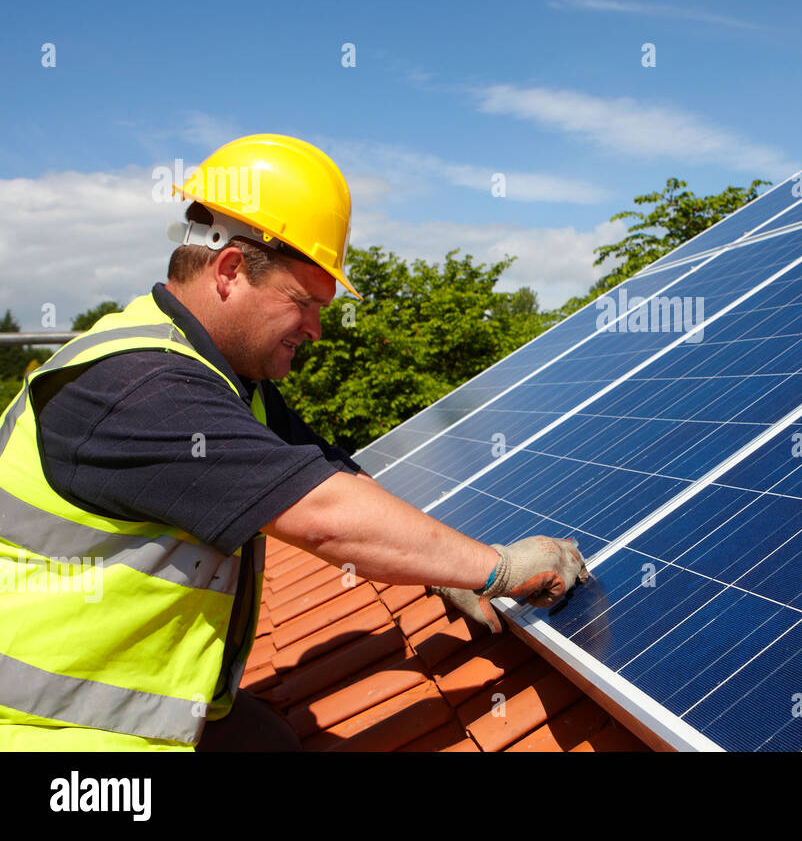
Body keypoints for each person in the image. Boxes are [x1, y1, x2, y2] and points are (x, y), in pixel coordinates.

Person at [0, 134, 587, 751]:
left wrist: (447, 569)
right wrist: (497, 568)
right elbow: (324, 516)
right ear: (229, 272)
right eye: (302, 302)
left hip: (138, 700)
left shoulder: (224, 375)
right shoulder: (140, 386)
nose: (314, 328)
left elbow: (330, 475)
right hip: (49, 729)